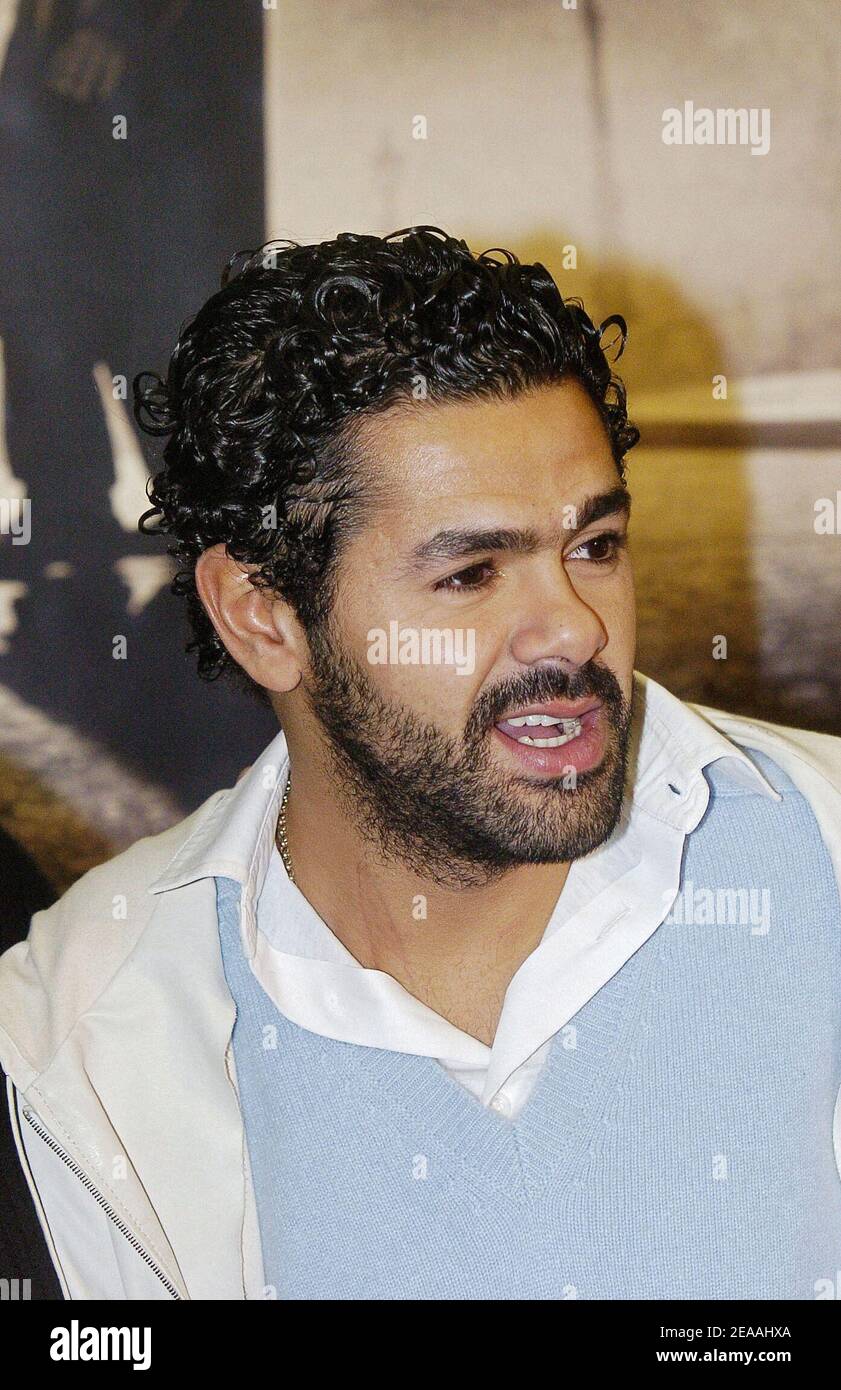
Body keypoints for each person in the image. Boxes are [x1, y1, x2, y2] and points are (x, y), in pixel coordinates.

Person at [1, 226, 840, 1301]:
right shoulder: (93, 1027)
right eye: (472, 573)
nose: (572, 631)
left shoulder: (818, 852)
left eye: (594, 547)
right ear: (263, 617)